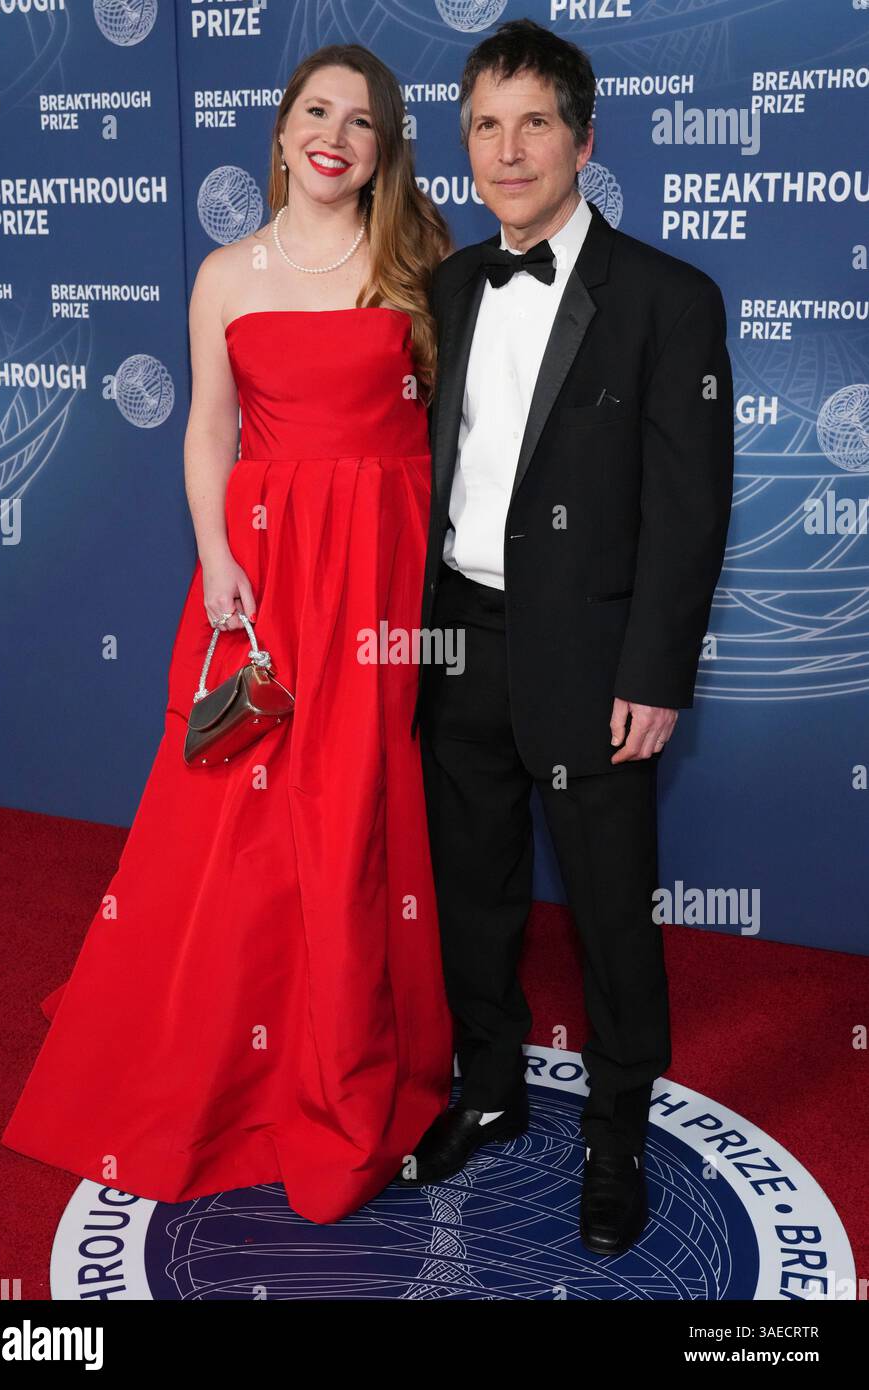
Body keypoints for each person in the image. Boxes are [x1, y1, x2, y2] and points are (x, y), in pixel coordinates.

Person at [1, 45, 455, 1224]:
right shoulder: (224, 273)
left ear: (384, 146)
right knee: (242, 805)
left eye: (362, 122)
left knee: (353, 802)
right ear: (282, 127)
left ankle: (344, 1060)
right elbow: (207, 429)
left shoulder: (415, 259)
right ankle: (227, 1052)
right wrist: (216, 555)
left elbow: (460, 426)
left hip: (382, 567)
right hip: (265, 560)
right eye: (317, 112)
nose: (335, 137)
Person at [399, 19, 735, 1256]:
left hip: (593, 660)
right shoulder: (447, 282)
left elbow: (689, 508)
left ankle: (615, 1128)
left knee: (606, 910)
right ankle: (485, 1084)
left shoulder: (667, 299)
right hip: (457, 639)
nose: (507, 148)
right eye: (484, 124)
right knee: (471, 889)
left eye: (532, 121)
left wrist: (653, 672)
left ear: (583, 139)